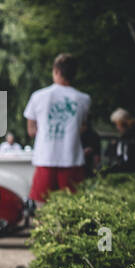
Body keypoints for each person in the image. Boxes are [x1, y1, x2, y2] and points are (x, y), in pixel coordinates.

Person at [25, 53, 90, 203]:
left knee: (41, 206)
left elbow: (31, 131)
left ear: (56, 71)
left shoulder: (38, 96)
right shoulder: (84, 99)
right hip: (72, 158)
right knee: (72, 206)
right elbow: (83, 127)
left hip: (45, 157)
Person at [109, 107, 135, 172]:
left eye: (117, 124)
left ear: (122, 123)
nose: (117, 127)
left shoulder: (133, 135)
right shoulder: (133, 133)